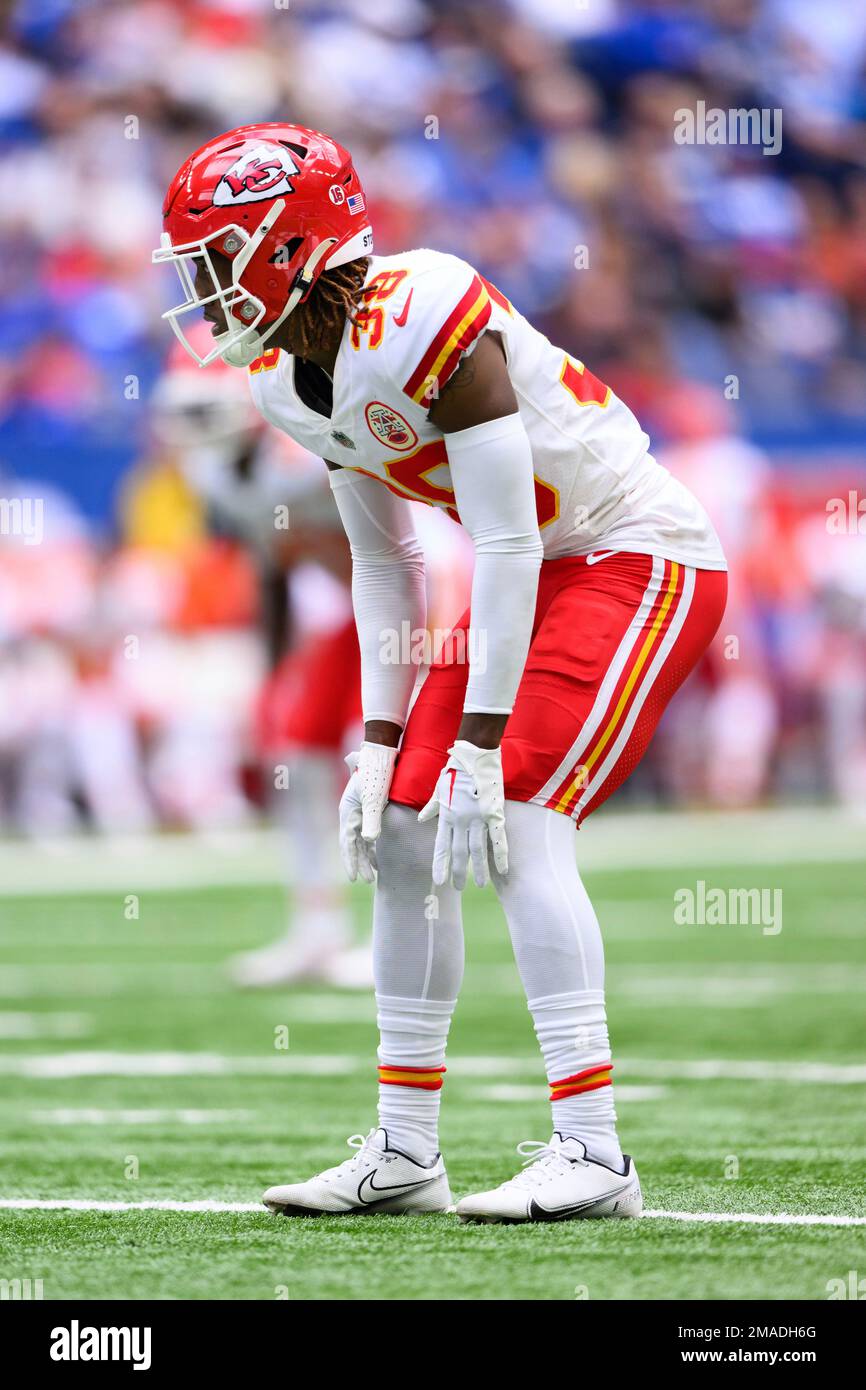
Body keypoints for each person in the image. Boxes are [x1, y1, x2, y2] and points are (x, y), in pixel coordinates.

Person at [153, 123, 727, 1223]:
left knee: (510, 806)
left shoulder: (420, 307)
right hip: (535, 575)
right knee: (404, 825)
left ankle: (592, 1148)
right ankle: (406, 1150)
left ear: (286, 246)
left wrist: (478, 736)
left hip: (630, 554)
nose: (202, 288)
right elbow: (387, 556)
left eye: (217, 258)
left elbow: (507, 540)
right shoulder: (285, 379)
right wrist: (376, 741)